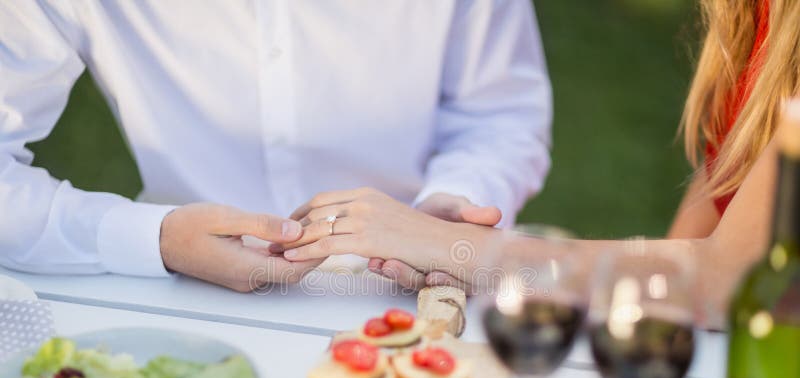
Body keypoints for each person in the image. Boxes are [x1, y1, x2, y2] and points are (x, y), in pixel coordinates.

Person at [276, 0, 800, 324]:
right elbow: (727, 183)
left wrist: (449, 246)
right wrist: (660, 313)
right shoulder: (755, 17)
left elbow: (732, 275)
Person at [0, 1, 551, 291]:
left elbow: (500, 112)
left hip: (417, 282)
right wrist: (156, 238)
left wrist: (457, 199)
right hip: (173, 286)